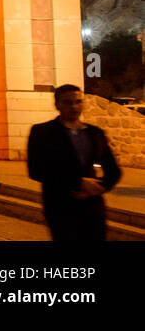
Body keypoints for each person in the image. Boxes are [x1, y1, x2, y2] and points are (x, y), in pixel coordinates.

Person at [27, 84, 122, 241]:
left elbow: (113, 169)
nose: (74, 107)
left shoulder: (95, 133)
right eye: (68, 102)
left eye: (78, 102)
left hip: (92, 205)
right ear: (57, 104)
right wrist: (78, 183)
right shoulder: (42, 132)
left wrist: (99, 187)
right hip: (60, 204)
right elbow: (36, 169)